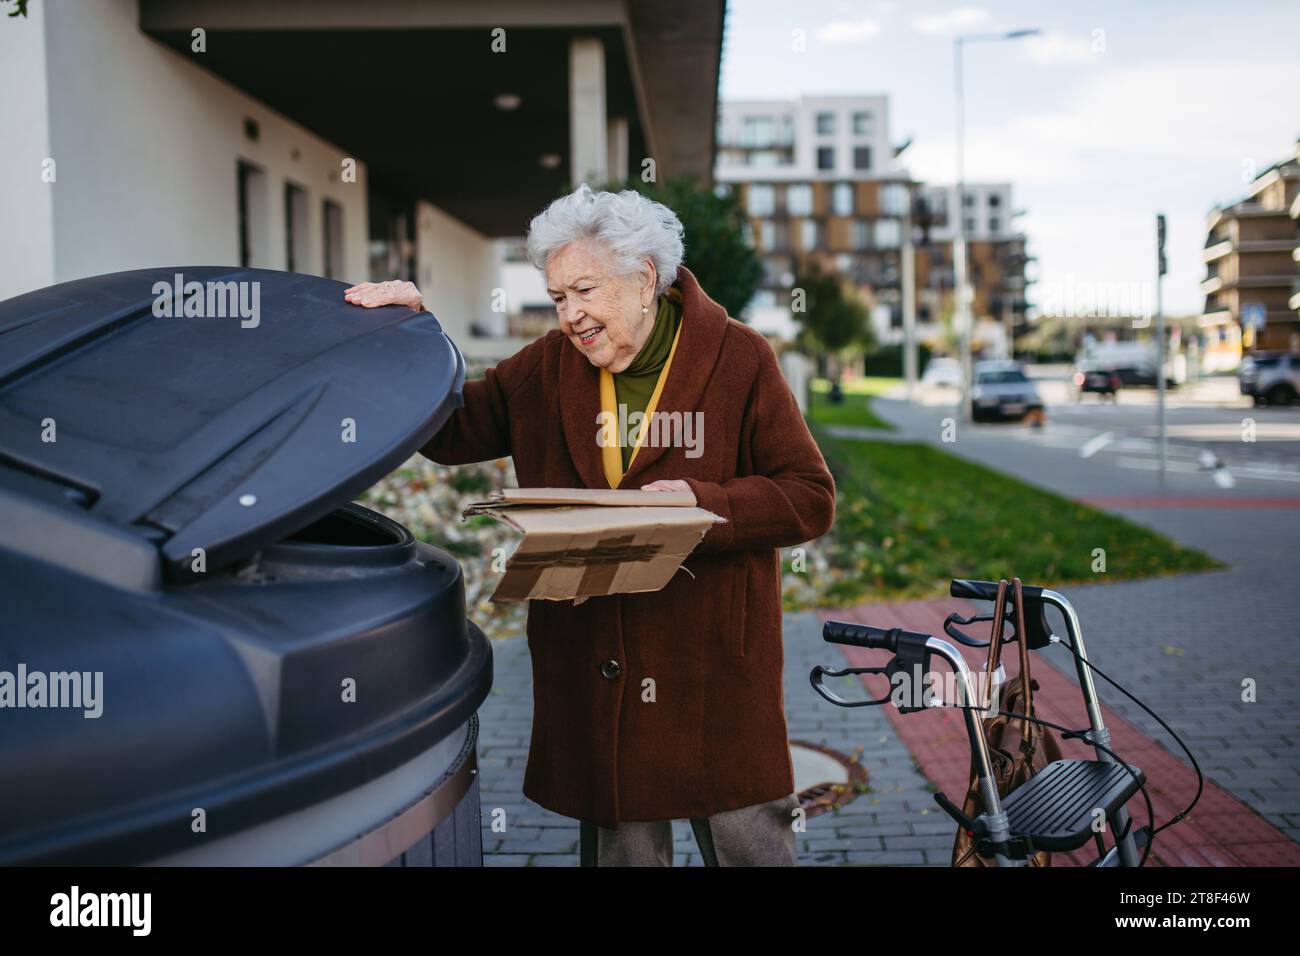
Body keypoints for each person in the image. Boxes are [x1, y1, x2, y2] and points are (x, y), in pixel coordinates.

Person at [345, 184, 835, 866]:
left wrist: (701, 506)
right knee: (625, 856)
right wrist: (410, 330)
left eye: (583, 291)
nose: (570, 315)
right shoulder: (547, 367)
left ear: (643, 279)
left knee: (750, 847)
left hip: (713, 670)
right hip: (603, 667)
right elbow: (454, 428)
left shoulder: (740, 358)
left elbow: (809, 495)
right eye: (557, 298)